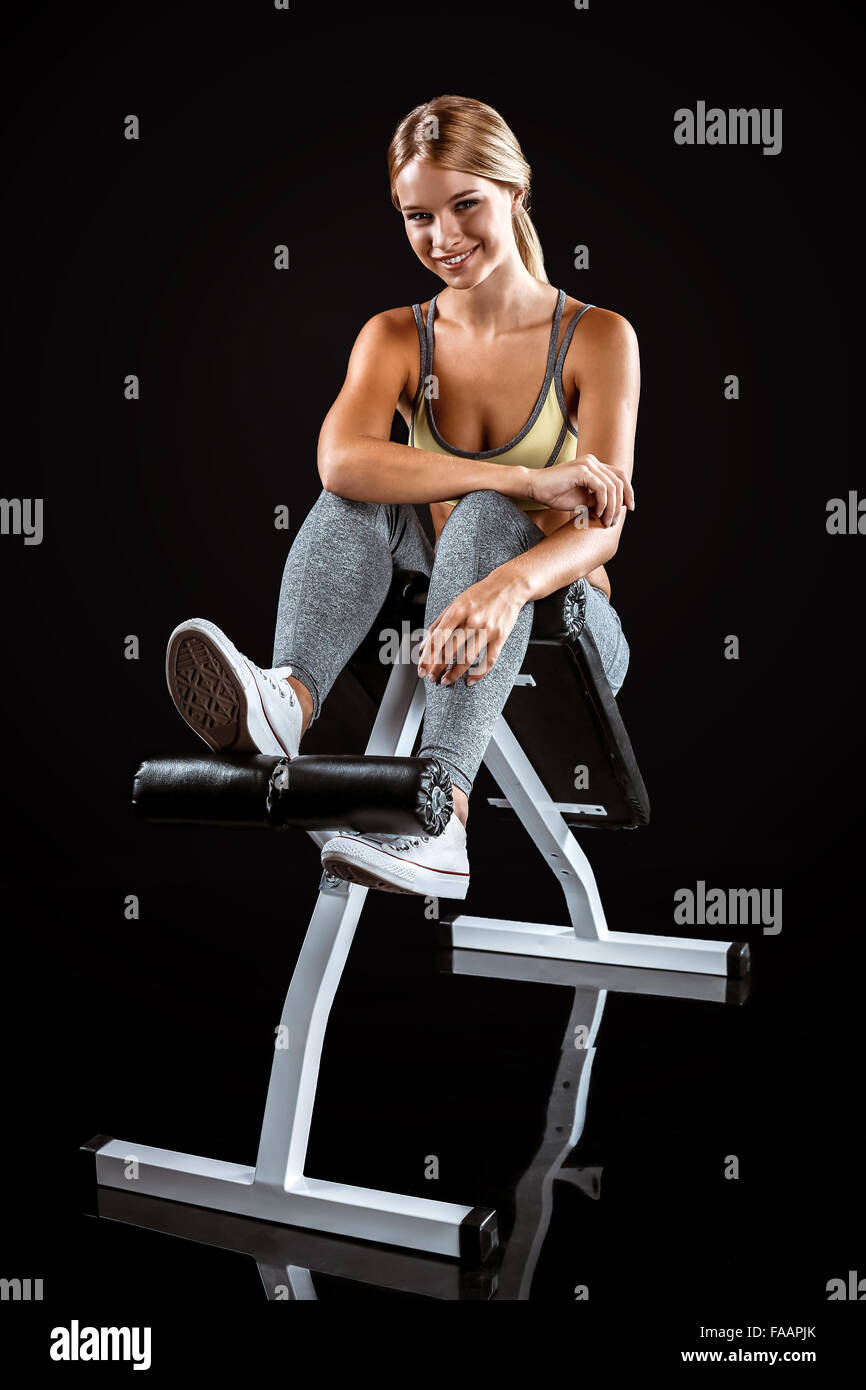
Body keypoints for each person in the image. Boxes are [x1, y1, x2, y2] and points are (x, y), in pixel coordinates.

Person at [165, 94, 639, 902]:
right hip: (445, 619)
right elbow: (341, 460)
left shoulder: (596, 336)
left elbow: (603, 534)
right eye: (419, 217)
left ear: (515, 193)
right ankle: (291, 697)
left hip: (567, 626)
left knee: (489, 520)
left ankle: (440, 821)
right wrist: (524, 478)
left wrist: (506, 584)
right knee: (360, 498)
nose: (444, 239)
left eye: (466, 206)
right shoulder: (395, 335)